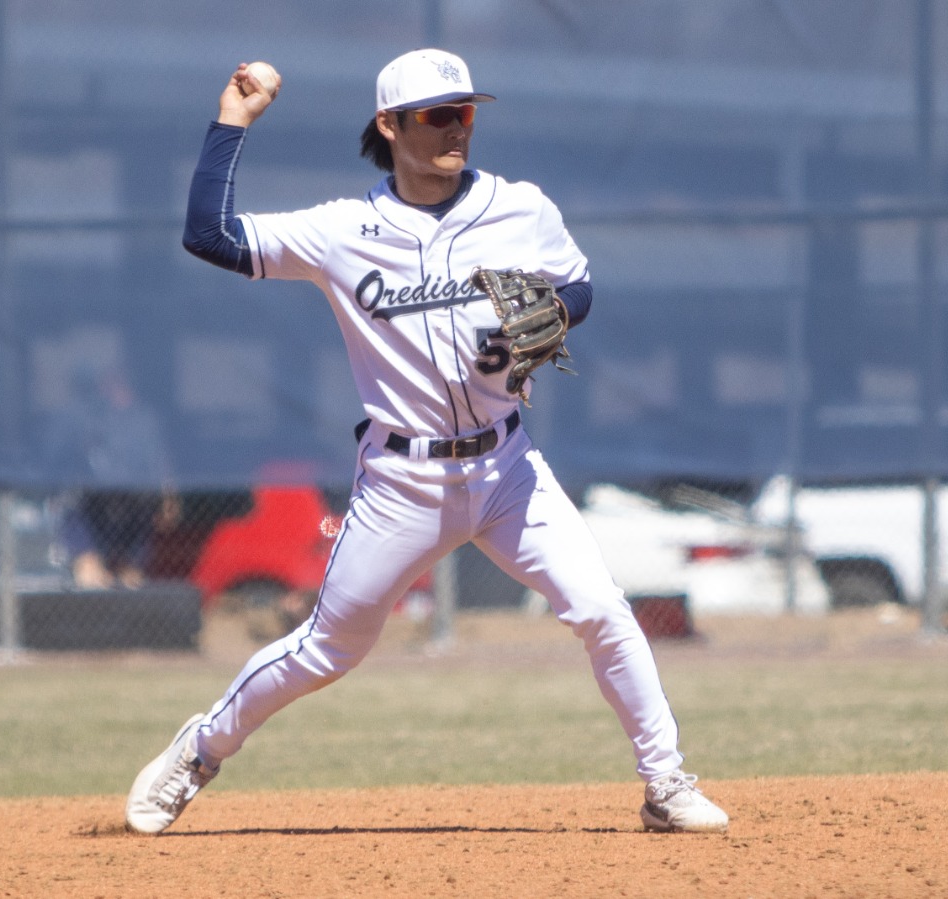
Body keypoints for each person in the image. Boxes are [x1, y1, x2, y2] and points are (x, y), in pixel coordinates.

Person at [125, 48, 728, 835]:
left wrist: (556, 310)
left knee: (602, 610)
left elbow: (577, 283)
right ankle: (199, 750)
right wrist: (233, 120)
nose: (455, 129)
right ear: (390, 125)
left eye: (465, 112)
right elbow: (209, 234)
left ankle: (665, 783)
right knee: (325, 651)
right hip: (401, 480)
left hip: (508, 464)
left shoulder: (521, 207)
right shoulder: (343, 230)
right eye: (437, 115)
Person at [40, 361, 180, 588]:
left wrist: (167, 496)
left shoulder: (144, 420)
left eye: (122, 383)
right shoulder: (83, 418)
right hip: (89, 509)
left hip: (134, 509)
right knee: (90, 576)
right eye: (110, 383)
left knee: (131, 579)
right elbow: (57, 460)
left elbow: (159, 462)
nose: (116, 389)